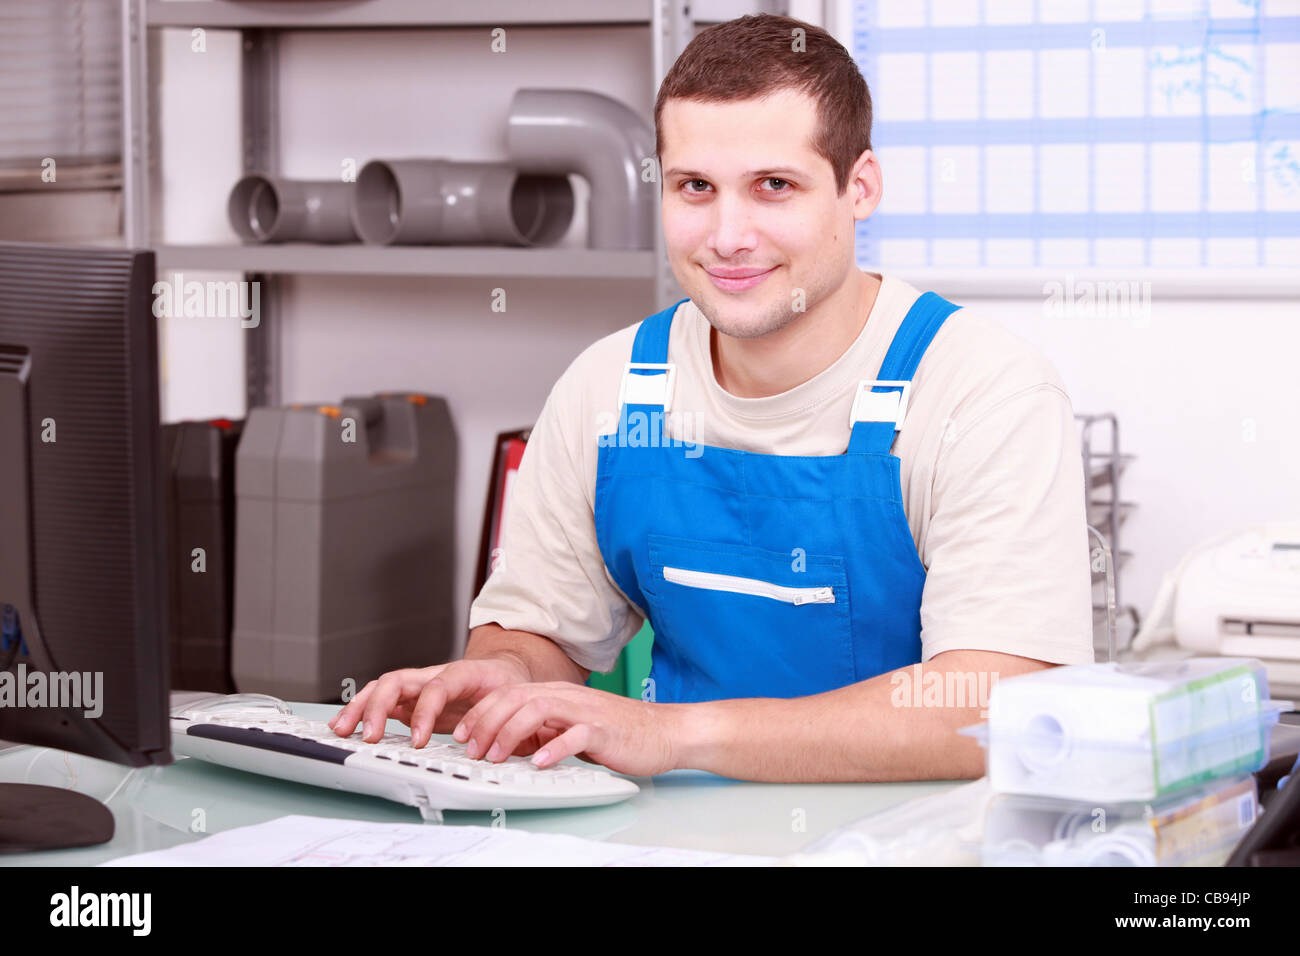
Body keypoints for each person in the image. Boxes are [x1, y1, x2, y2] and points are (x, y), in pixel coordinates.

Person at [330, 13, 1094, 783]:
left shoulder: (983, 392)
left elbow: (993, 702)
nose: (728, 236)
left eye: (773, 187)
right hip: (677, 830)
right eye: (696, 187)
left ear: (858, 187)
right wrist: (510, 675)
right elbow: (538, 634)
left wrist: (675, 735)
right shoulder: (613, 385)